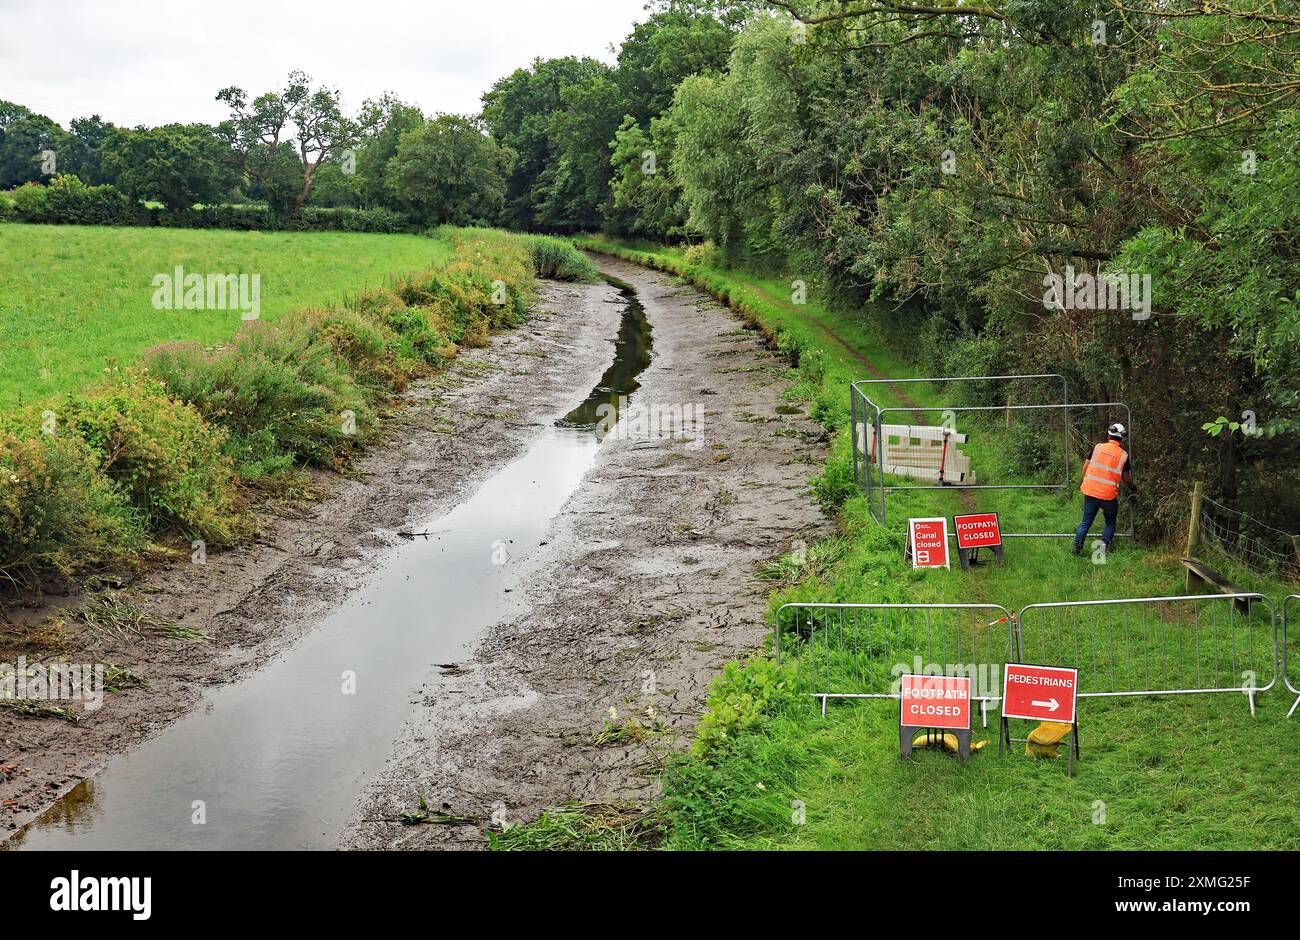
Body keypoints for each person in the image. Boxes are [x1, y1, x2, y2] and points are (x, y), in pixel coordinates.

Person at [1072, 423, 1136, 556]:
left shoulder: (1097, 447)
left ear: (1108, 435)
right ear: (1121, 438)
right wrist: (1133, 488)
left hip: (1090, 492)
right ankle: (1101, 552)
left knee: (1085, 523)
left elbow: (1085, 468)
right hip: (1108, 496)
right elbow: (1126, 478)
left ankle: (1076, 551)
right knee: (1110, 523)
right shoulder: (1123, 455)